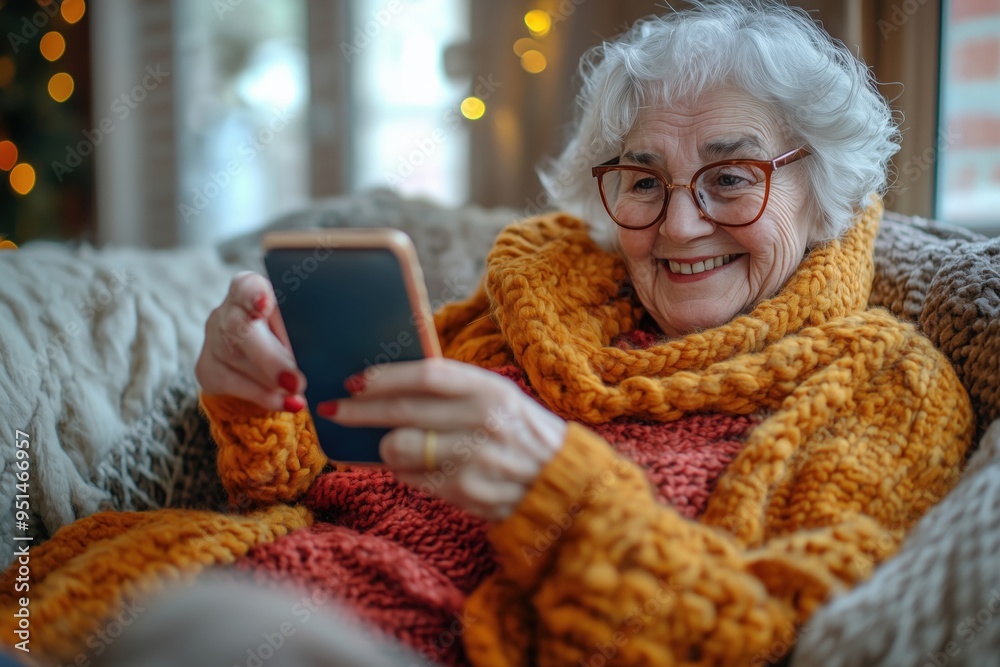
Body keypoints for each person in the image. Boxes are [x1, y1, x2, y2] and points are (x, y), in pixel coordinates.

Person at [1, 2, 973, 666]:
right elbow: (319, 479)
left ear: (826, 187)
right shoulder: (541, 298)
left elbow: (778, 631)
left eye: (730, 177)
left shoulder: (883, 384)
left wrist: (557, 494)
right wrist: (260, 399)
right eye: (642, 180)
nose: (679, 225)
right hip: (229, 571)